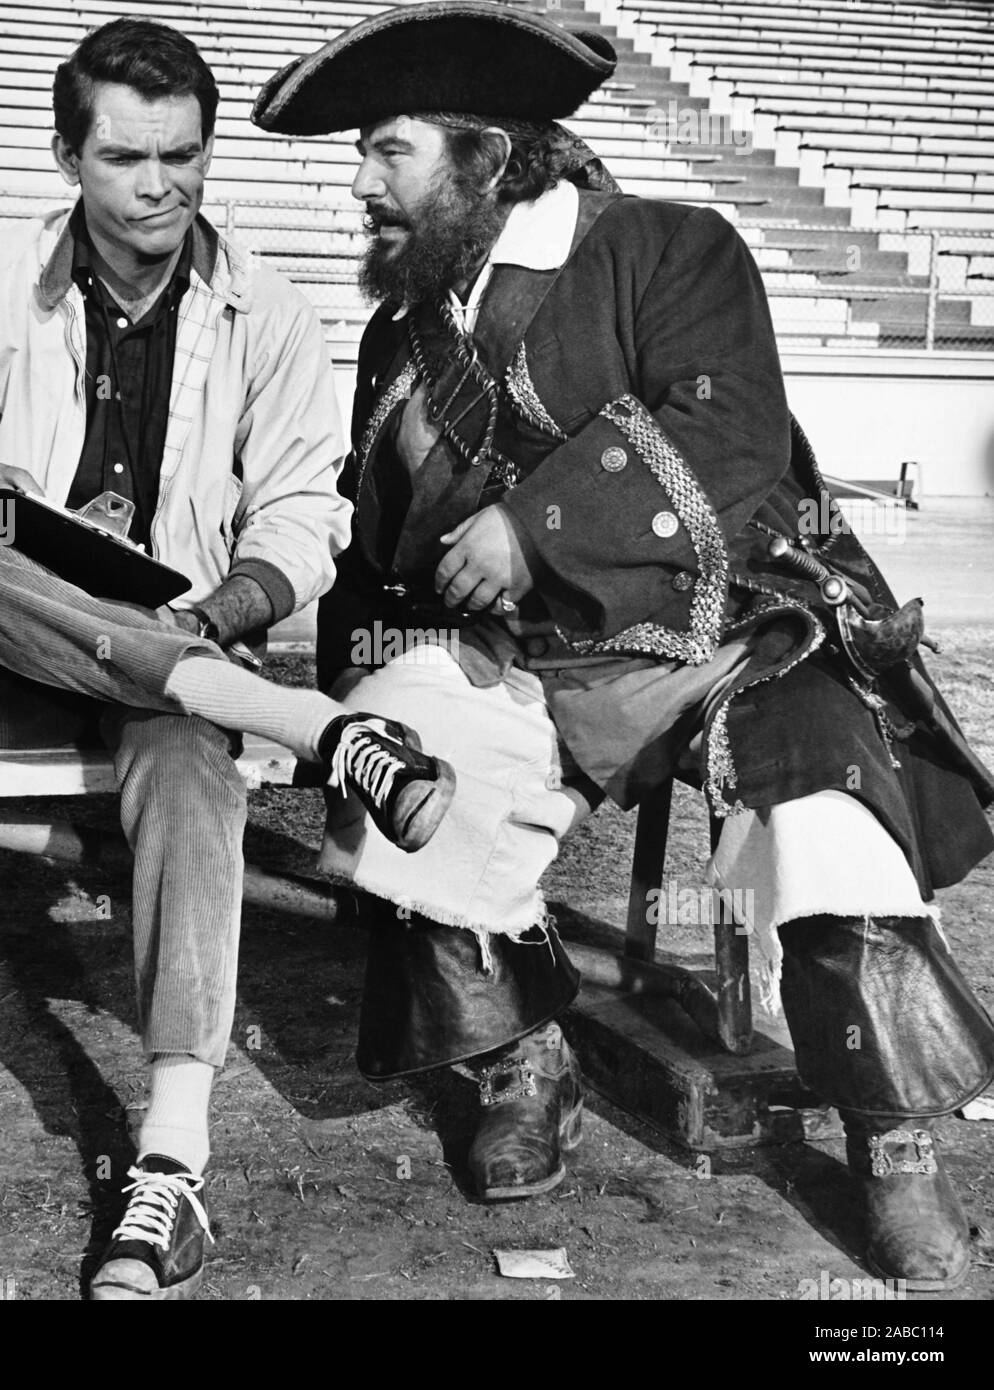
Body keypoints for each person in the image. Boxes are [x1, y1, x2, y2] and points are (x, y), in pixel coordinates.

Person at [251, 0, 994, 1289]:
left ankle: (892, 1140)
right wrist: (349, 706)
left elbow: (731, 435)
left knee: (825, 808)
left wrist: (534, 527)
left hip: (738, 637)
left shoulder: (671, 247)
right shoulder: (396, 334)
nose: (362, 185)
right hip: (525, 662)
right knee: (402, 772)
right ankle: (517, 1056)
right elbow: (379, 556)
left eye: (389, 150)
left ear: (482, 155)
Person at [0, 16, 455, 1302]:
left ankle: (170, 1167)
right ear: (68, 154)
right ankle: (312, 731)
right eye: (127, 157)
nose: (161, 185)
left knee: (186, 748)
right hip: (5, 651)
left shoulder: (272, 314)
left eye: (184, 155)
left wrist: (233, 596)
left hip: (186, 650)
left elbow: (307, 513)